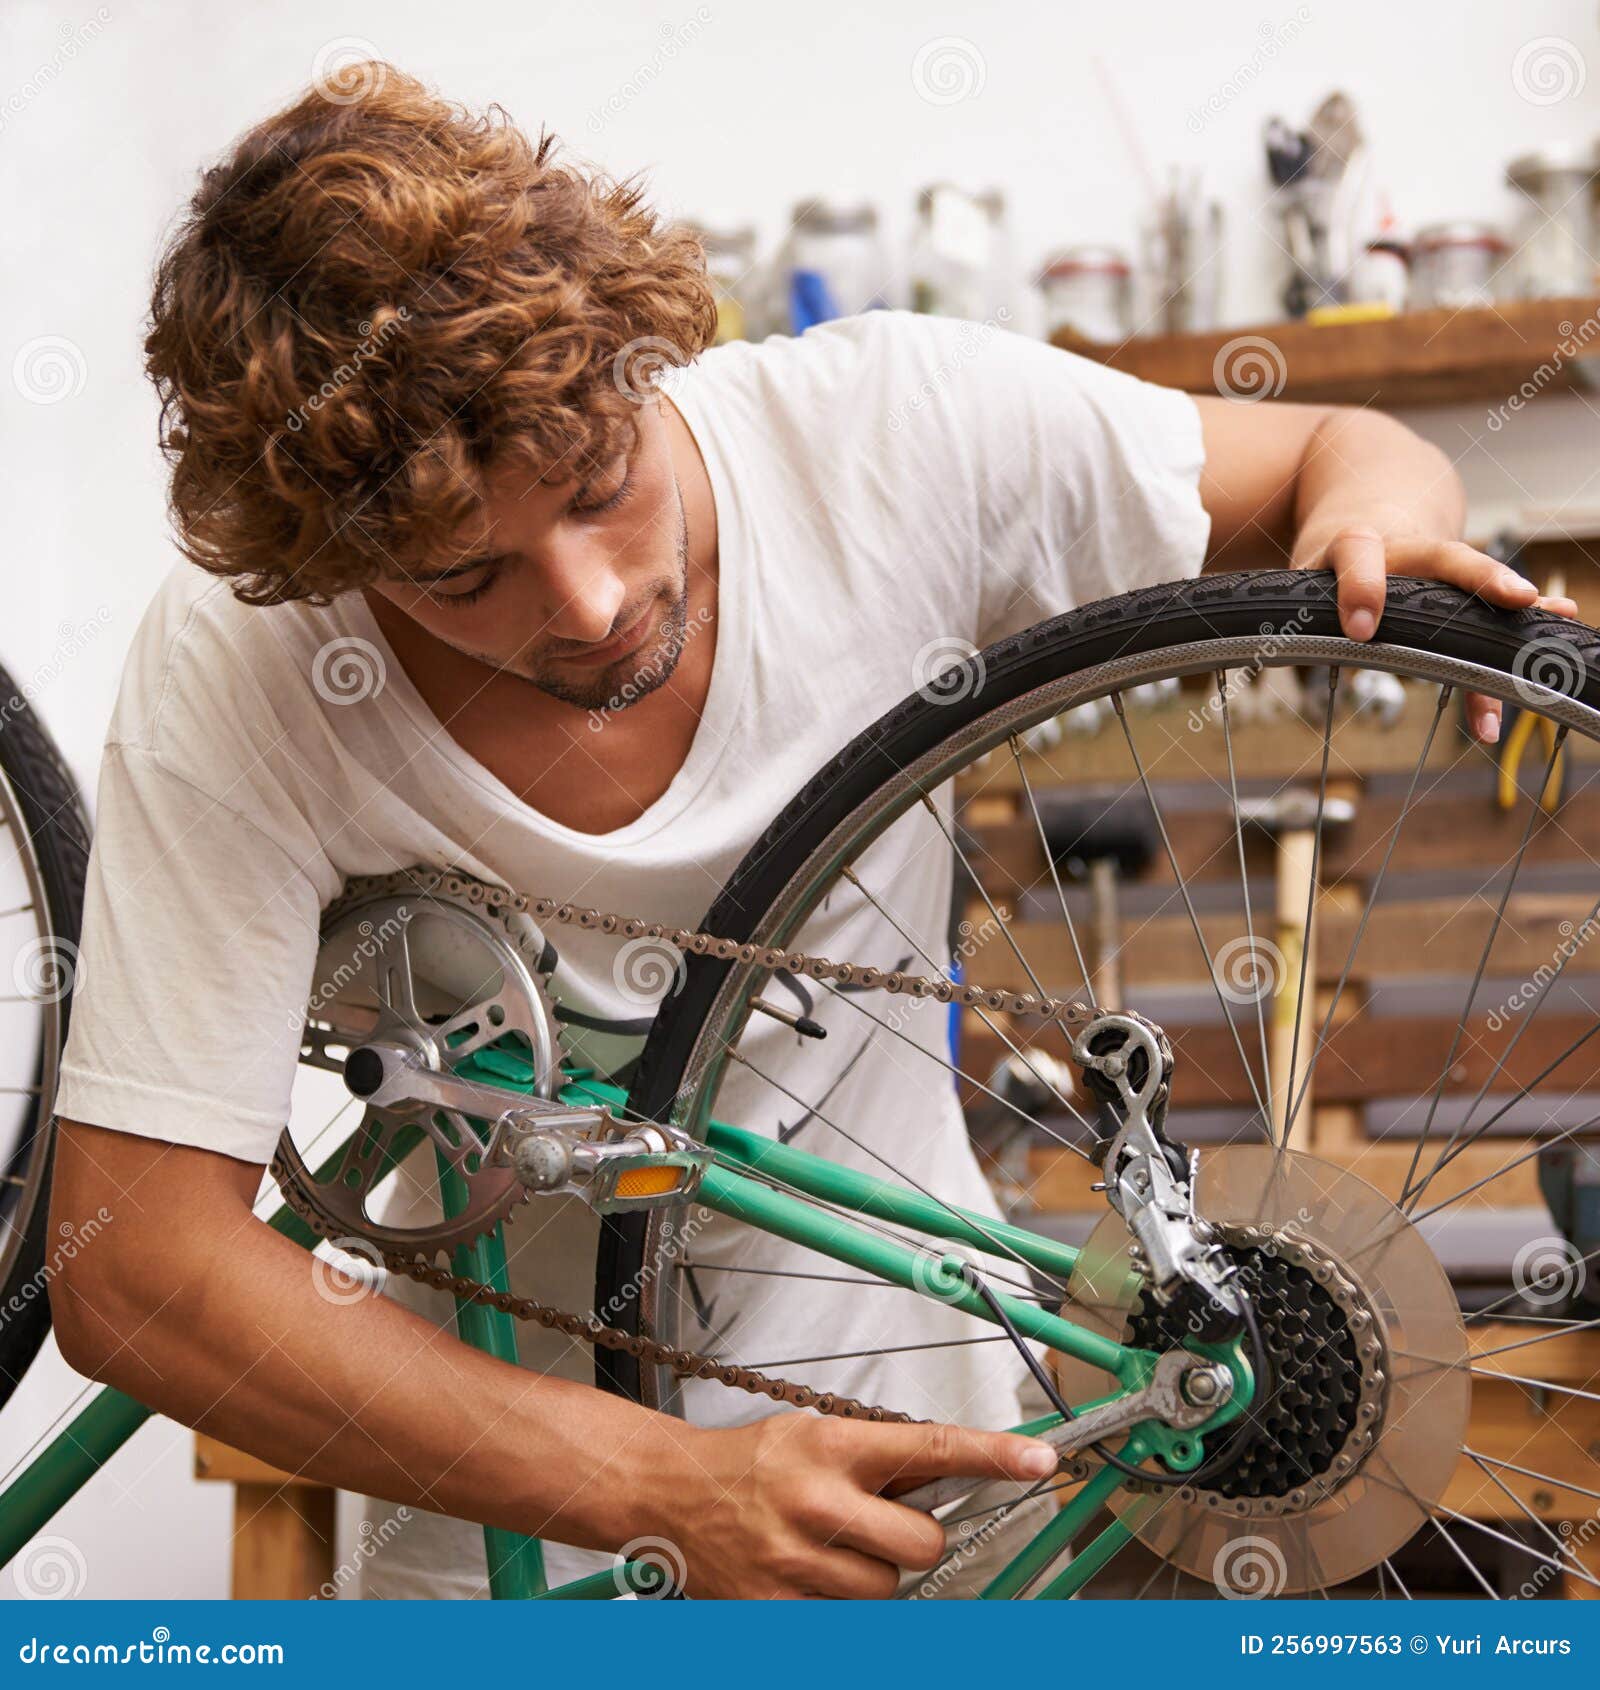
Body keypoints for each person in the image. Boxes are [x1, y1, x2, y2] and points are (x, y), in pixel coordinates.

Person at [47, 67, 1573, 1600]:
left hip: (953, 1498)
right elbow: (134, 1264)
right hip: (519, 1540)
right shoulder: (246, 669)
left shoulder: (889, 439)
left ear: (645, 359)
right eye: (464, 577)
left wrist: (1376, 542)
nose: (588, 603)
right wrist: (665, 1484)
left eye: (601, 486)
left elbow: (1345, 454)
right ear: (331, 564)